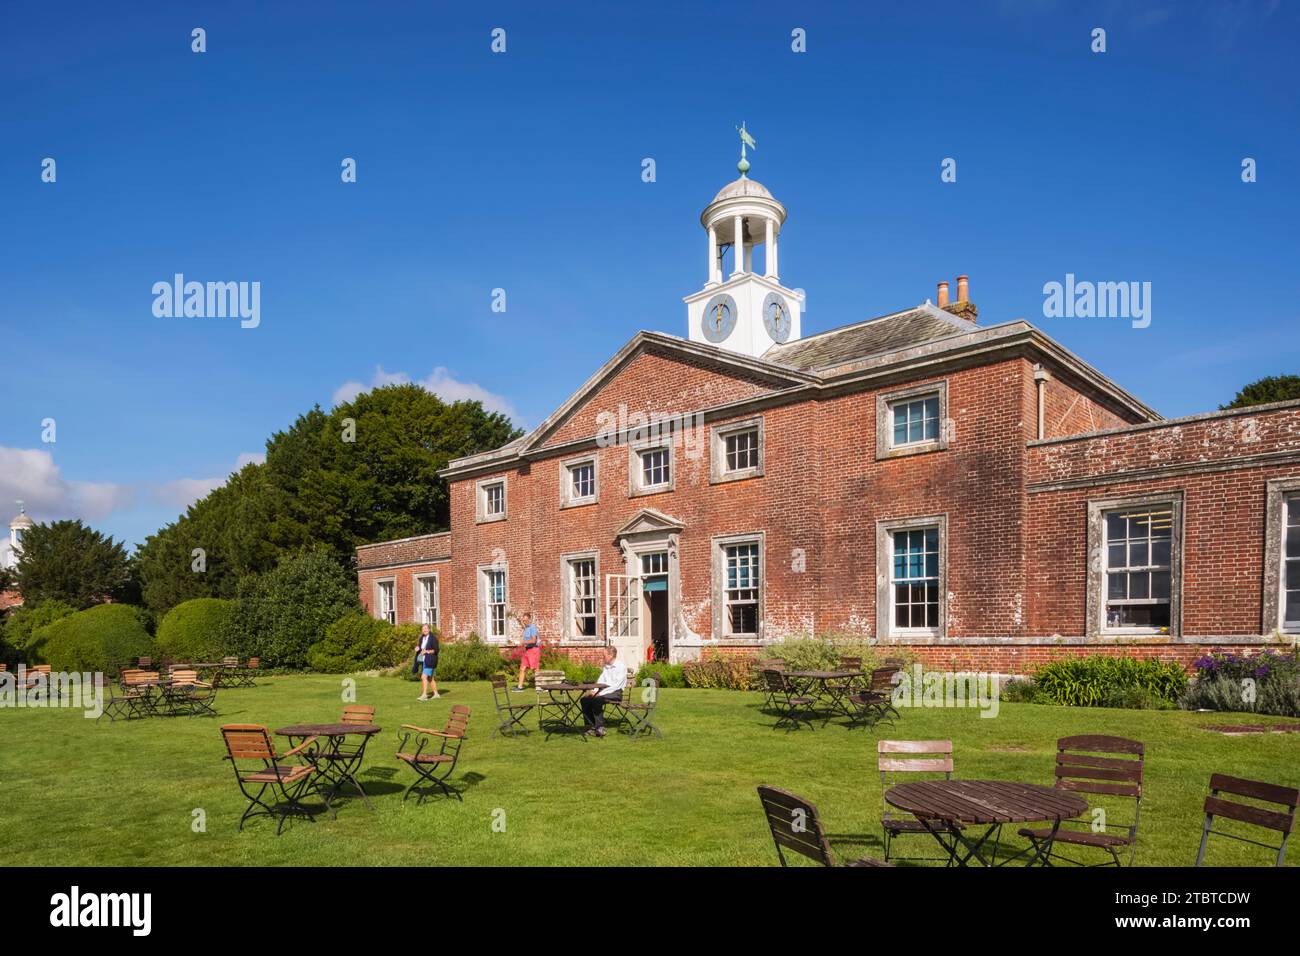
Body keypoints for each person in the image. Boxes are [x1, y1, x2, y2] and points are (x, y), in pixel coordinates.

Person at [580, 645, 628, 738]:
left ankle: (599, 728)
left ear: (610, 655)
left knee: (597, 700)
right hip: (605, 692)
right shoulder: (606, 666)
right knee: (584, 700)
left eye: (604, 655)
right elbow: (601, 681)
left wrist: (599, 694)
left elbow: (615, 686)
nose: (603, 657)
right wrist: (594, 691)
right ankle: (590, 726)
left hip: (616, 692)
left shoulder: (621, 667)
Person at [515, 612, 541, 691]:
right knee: (522, 668)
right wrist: (519, 643)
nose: (524, 622)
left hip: (534, 650)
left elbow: (533, 640)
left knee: (535, 668)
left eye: (525, 620)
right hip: (527, 650)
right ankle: (520, 687)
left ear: (529, 620)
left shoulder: (532, 628)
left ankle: (540, 687)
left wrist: (524, 642)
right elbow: (524, 640)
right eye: (523, 621)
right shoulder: (526, 629)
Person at [416, 624, 440, 700]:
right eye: (423, 629)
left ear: (429, 629)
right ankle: (436, 694)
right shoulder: (421, 638)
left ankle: (424, 695)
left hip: (431, 660)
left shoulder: (433, 638)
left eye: (426, 628)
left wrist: (426, 651)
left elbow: (436, 650)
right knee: (430, 678)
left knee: (423, 677)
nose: (424, 630)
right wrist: (418, 648)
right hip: (424, 660)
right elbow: (421, 648)